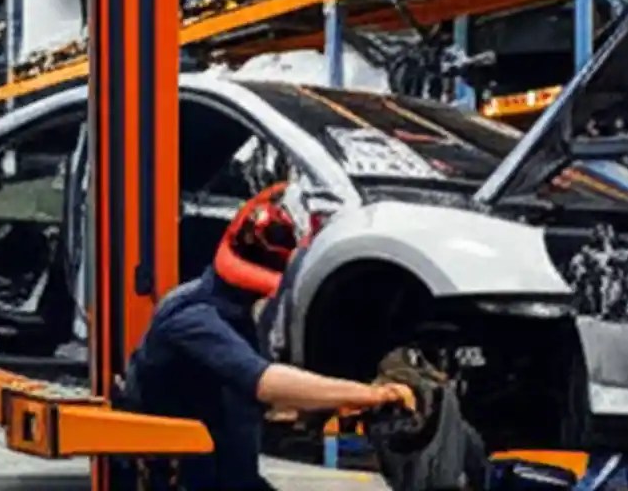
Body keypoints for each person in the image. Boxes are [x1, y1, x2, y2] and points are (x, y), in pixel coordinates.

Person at [118, 183, 417, 491]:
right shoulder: (193, 318)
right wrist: (371, 394)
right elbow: (267, 383)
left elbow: (266, 401)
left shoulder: (238, 316)